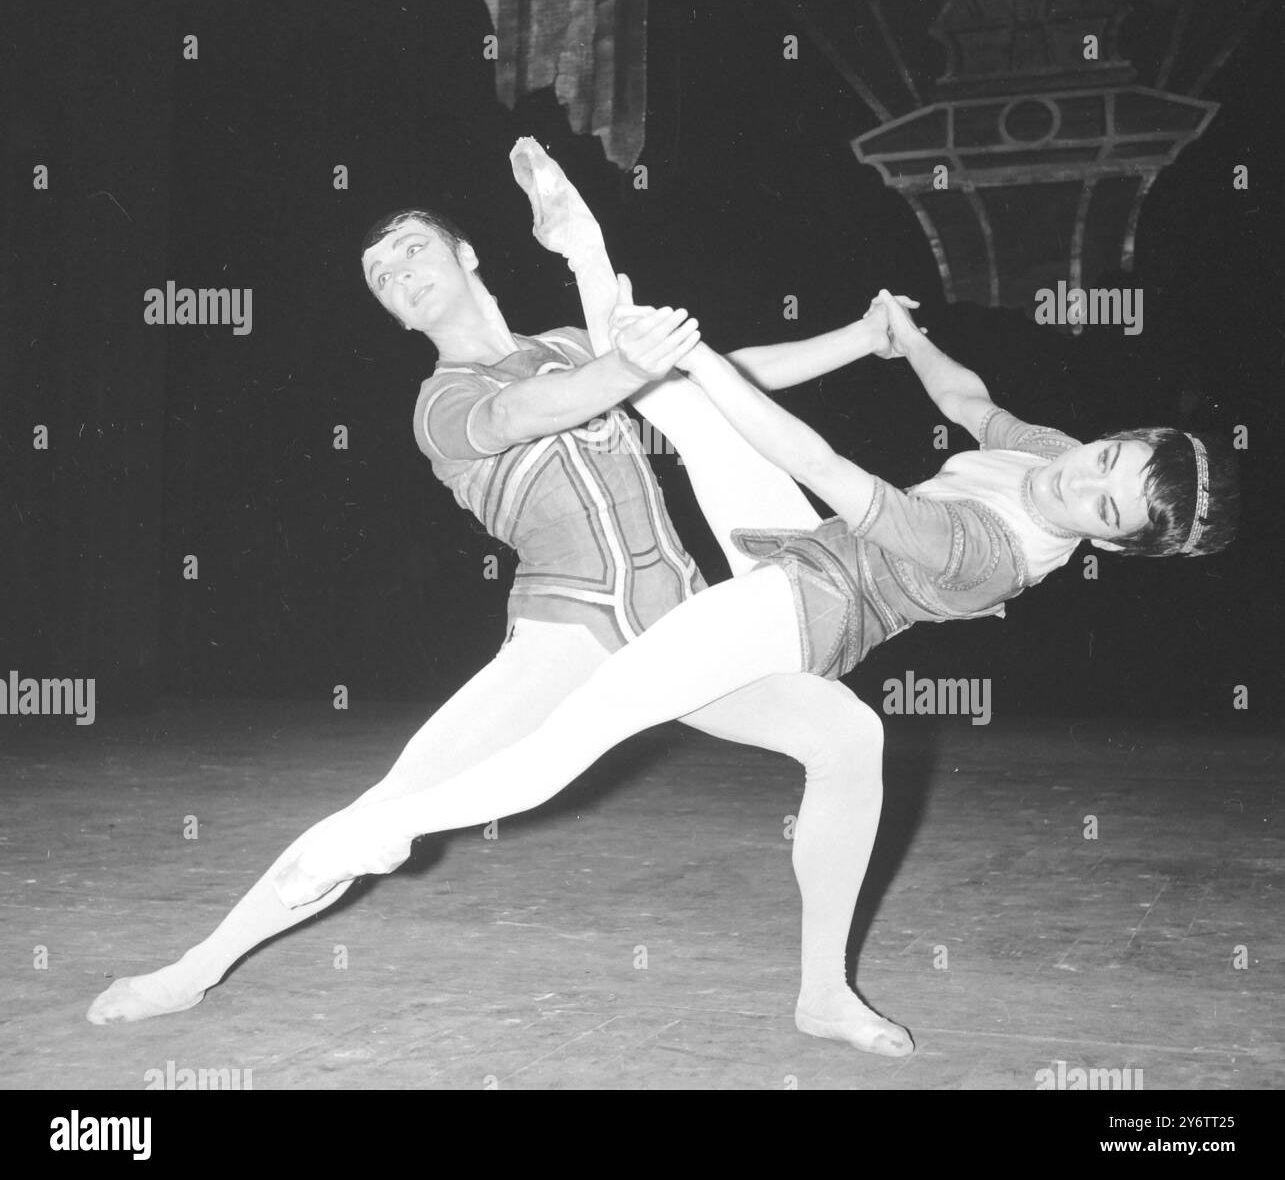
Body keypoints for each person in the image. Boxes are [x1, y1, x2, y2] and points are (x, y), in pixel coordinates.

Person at [87, 142, 923, 1057]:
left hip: (679, 627)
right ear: (390, 311)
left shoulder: (568, 345)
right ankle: (195, 968)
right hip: (566, 641)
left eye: (411, 249)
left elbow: (728, 377)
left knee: (847, 735)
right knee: (388, 813)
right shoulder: (441, 402)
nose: (399, 272)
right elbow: (531, 413)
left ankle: (822, 993)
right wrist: (623, 360)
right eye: (380, 274)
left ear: (465, 257)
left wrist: (861, 337)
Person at [271, 241, 1240, 955]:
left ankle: (375, 833)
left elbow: (822, 465)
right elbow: (972, 405)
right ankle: (592, 265)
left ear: (1111, 540)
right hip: (796, 548)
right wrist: (899, 342)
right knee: (683, 407)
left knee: (591, 717)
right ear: (1118, 434)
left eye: (1102, 506)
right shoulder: (1055, 457)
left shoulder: (992, 552)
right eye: (1106, 456)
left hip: (806, 611)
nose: (1082, 481)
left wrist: (689, 358)